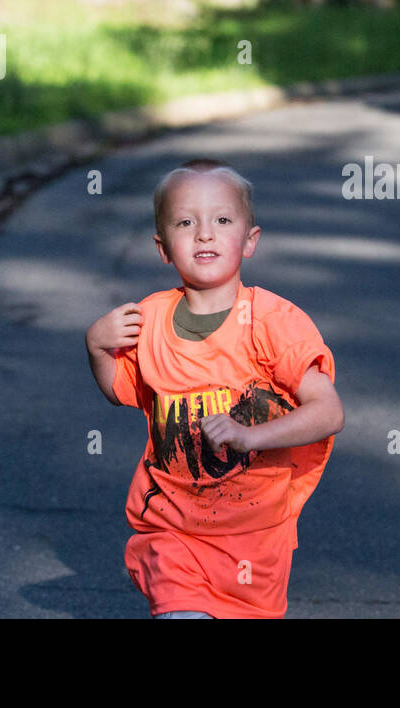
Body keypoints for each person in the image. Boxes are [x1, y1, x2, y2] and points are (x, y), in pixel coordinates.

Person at [85, 158, 345, 618]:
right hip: (171, 528)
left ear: (250, 241)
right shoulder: (149, 320)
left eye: (222, 220)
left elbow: (327, 412)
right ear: (163, 247)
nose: (204, 233)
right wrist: (98, 349)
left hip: (255, 538)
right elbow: (121, 390)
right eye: (186, 222)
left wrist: (252, 436)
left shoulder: (271, 322)